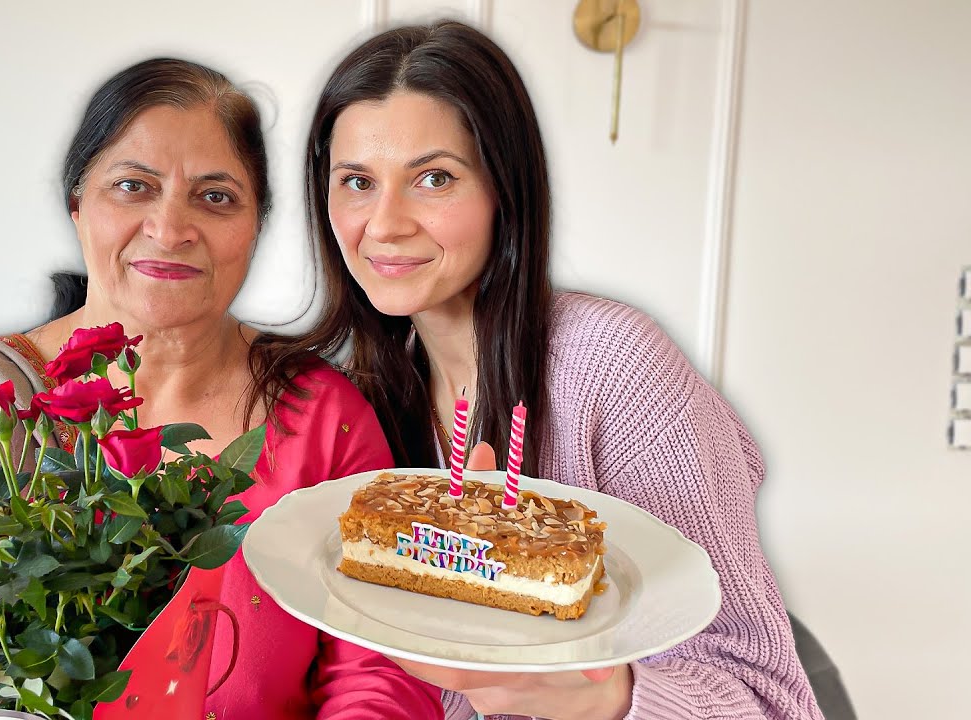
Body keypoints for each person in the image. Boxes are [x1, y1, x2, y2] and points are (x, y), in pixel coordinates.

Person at [0, 58, 442, 719]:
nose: (170, 228)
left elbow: (377, 676)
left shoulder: (324, 418)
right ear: (78, 204)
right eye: (133, 186)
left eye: (216, 196)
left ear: (256, 225)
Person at [260, 20, 826, 720]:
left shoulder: (615, 368)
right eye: (357, 182)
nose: (384, 223)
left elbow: (774, 703)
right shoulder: (355, 400)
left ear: (507, 189)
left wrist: (608, 701)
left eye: (433, 179)